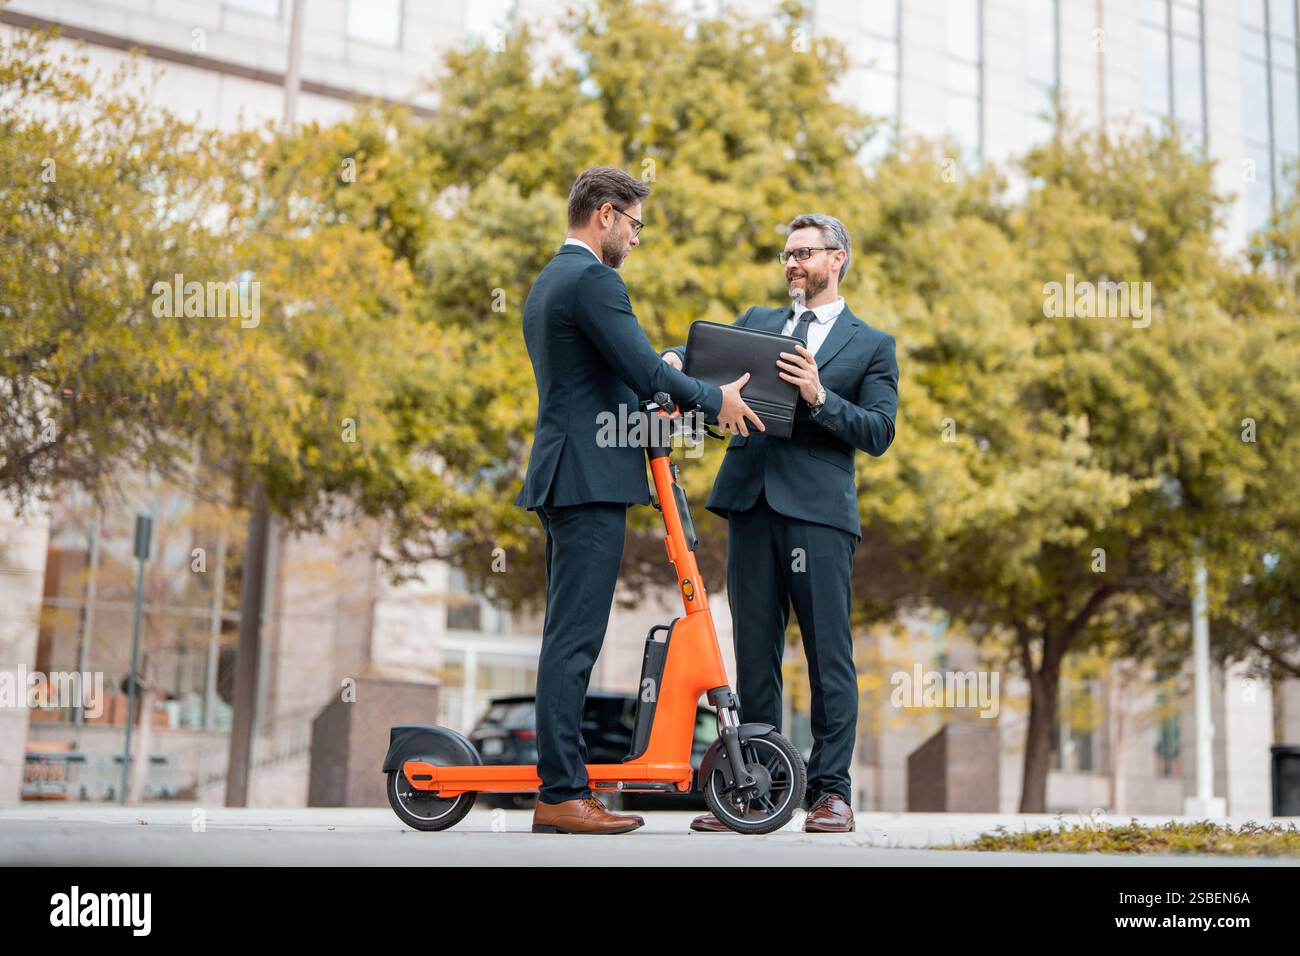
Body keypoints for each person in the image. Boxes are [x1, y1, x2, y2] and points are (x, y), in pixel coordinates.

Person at [517, 166, 763, 834]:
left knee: (568, 636)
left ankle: (561, 789)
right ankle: (563, 794)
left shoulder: (550, 280)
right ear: (604, 214)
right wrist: (716, 398)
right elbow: (641, 372)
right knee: (574, 640)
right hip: (586, 478)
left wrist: (663, 375)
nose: (635, 238)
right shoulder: (595, 279)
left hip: (569, 473)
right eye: (634, 223)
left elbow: (606, 377)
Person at [661, 213, 899, 833]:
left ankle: (831, 793)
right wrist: (670, 359)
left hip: (819, 516)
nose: (792, 263)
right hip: (750, 503)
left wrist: (820, 396)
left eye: (805, 253)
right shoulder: (758, 321)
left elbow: (878, 432)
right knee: (753, 652)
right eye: (787, 255)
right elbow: (704, 364)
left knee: (829, 657)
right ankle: (752, 791)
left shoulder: (871, 344)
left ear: (837, 258)